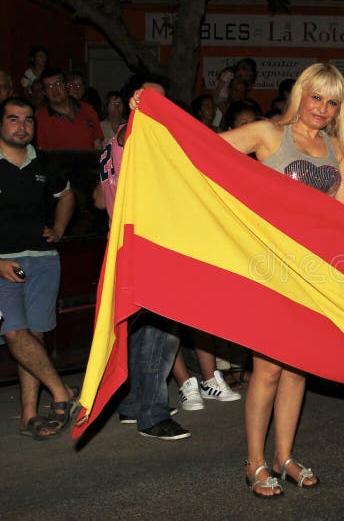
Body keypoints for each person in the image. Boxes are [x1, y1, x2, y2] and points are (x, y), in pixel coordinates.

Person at [213, 62, 344, 497]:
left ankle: (284, 456)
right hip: (270, 270)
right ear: (300, 94)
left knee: (298, 370)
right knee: (268, 369)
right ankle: (255, 462)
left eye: (332, 102)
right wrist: (154, 117)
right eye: (316, 97)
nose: (323, 108)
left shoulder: (338, 150)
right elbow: (201, 150)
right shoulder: (267, 133)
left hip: (312, 275)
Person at [97, 79, 191, 440]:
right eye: (153, 100)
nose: (160, 108)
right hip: (144, 248)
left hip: (129, 246)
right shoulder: (129, 134)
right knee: (160, 332)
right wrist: (140, 107)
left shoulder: (114, 143)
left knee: (142, 332)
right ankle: (152, 416)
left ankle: (135, 404)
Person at [0, 96, 77, 439]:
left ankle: (29, 414)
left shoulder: (44, 162)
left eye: (28, 119)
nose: (22, 126)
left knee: (35, 336)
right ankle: (62, 393)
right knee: (15, 334)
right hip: (4, 262)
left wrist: (59, 229)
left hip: (44, 260)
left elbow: (67, 194)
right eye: (14, 119)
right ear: (1, 123)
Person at [36, 68, 103, 150]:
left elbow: (98, 145)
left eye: (58, 84)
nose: (54, 90)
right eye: (49, 86)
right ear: (44, 92)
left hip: (89, 162)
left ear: (66, 86)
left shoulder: (87, 109)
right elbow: (41, 151)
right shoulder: (42, 118)